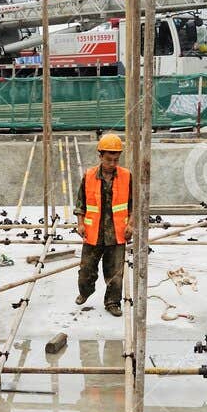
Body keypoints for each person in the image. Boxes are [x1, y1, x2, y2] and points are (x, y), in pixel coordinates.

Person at [74, 132, 130, 318]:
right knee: (86, 270)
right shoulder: (89, 176)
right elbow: (80, 204)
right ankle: (85, 291)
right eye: (109, 159)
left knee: (115, 273)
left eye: (116, 159)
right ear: (100, 156)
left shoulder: (126, 176)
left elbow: (134, 205)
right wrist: (80, 223)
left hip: (117, 233)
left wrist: (132, 225)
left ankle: (112, 302)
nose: (113, 164)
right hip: (93, 232)